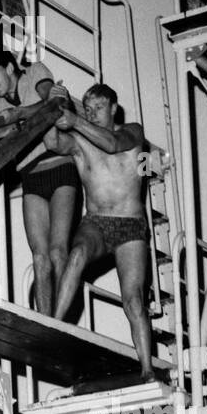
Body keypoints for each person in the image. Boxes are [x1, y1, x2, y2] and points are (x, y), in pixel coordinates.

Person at [44, 81, 156, 380]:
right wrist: (49, 110)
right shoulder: (80, 141)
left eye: (98, 108)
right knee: (77, 253)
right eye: (88, 109)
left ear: (113, 108)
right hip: (96, 222)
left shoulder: (133, 130)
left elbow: (113, 144)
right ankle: (54, 327)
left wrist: (77, 119)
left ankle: (147, 370)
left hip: (131, 225)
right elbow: (53, 143)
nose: (92, 114)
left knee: (133, 299)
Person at [0, 48, 81, 317]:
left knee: (58, 250)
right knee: (39, 256)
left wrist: (20, 113)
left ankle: (60, 321)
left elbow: (52, 102)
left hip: (59, 167)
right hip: (30, 177)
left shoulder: (35, 72)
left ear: (10, 67)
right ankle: (45, 322)